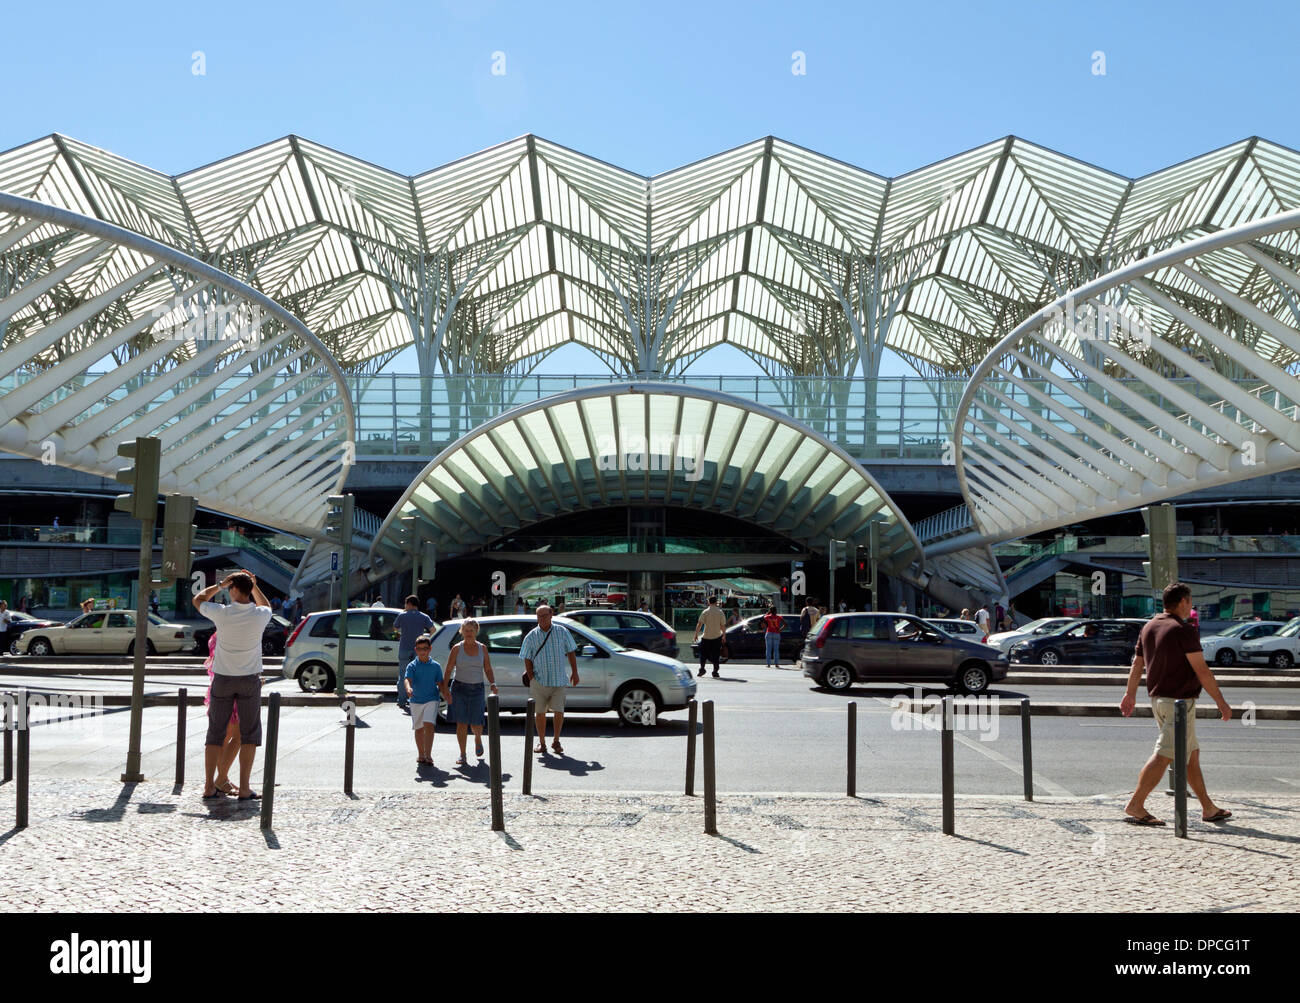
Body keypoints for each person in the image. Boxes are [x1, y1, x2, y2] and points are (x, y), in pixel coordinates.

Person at [1120, 582, 1233, 826]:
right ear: (1182, 602)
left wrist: (1129, 695)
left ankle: (1208, 807)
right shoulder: (1183, 630)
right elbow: (1202, 670)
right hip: (1179, 704)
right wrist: (1221, 702)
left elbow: (1137, 664)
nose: (1191, 606)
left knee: (1191, 755)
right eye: (1190, 601)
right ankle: (1136, 804)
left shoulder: (1149, 627)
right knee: (1164, 754)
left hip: (1159, 700)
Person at [193, 571, 272, 801]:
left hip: (223, 678)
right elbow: (266, 605)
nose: (228, 592)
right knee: (249, 735)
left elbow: (198, 600)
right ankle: (245, 788)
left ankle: (209, 785)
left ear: (234, 589)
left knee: (215, 733)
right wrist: (255, 586)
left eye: (230, 588)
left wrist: (218, 585)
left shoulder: (222, 613)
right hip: (249, 679)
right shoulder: (260, 615)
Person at [520, 605, 579, 755]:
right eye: (539, 616)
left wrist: (575, 672)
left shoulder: (562, 631)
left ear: (551, 615)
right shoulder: (532, 635)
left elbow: (571, 651)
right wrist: (532, 677)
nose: (542, 619)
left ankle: (556, 740)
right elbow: (526, 657)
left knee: (559, 711)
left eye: (544, 615)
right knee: (539, 713)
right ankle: (542, 742)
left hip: (558, 680)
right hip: (539, 681)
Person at [444, 617, 498, 765]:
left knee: (476, 721)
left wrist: (493, 683)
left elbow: (487, 668)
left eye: (471, 631)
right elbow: (448, 668)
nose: (468, 633)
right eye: (466, 630)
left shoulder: (482, 648)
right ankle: (462, 754)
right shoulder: (457, 648)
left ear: (476, 632)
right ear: (462, 632)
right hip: (459, 688)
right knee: (461, 723)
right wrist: (445, 689)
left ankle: (478, 738)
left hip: (477, 688)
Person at [202, 632, 241, 795]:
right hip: (232, 687)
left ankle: (220, 779)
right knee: (232, 735)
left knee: (227, 737)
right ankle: (220, 780)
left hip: (221, 686)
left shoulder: (218, 635)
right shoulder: (227, 636)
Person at [404, 634, 450, 766]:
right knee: (419, 728)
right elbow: (407, 679)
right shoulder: (412, 666)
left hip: (432, 699)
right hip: (416, 700)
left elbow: (440, 682)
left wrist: (446, 693)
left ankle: (428, 754)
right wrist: (408, 688)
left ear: (430, 649)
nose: (422, 651)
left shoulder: (435, 666)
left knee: (429, 725)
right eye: (419, 649)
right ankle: (421, 754)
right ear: (416, 650)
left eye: (425, 648)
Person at [393, 595, 434, 712]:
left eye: (406, 604)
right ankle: (415, 699)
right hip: (419, 649)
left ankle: (401, 700)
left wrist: (401, 634)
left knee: (403, 675)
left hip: (404, 647)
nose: (405, 606)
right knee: (417, 675)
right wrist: (425, 638)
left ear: (409, 604)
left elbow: (395, 628)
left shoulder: (402, 616)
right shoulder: (424, 616)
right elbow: (433, 630)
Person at [694, 595, 727, 678]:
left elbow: (699, 624)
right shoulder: (720, 612)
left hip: (706, 637)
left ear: (708, 602)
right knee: (716, 654)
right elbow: (723, 625)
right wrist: (724, 636)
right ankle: (715, 671)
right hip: (716, 636)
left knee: (703, 654)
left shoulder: (705, 612)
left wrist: (696, 635)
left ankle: (702, 669)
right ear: (716, 602)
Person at [761, 604, 783, 669]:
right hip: (776, 633)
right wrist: (780, 629)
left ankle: (768, 664)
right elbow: (785, 624)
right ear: (776, 611)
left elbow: (763, 618)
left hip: (769, 633)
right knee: (776, 649)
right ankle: (776, 664)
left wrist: (769, 612)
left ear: (770, 611)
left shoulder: (767, 617)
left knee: (768, 649)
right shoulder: (779, 617)